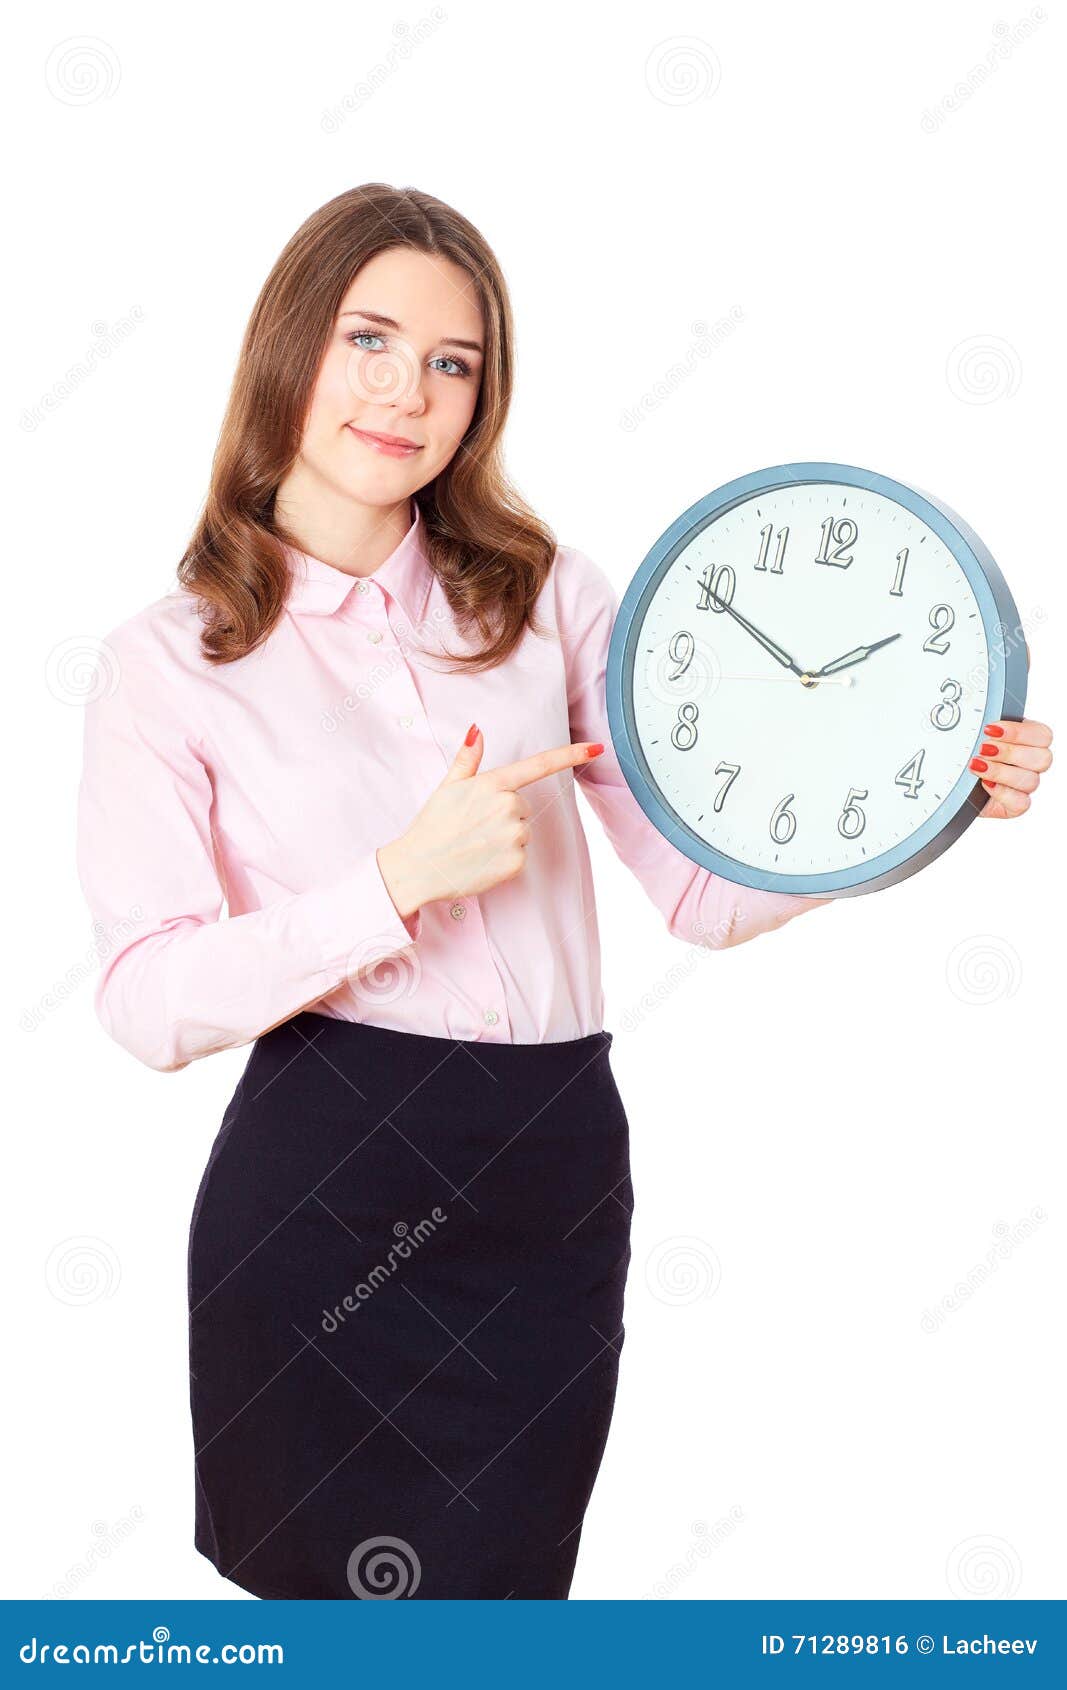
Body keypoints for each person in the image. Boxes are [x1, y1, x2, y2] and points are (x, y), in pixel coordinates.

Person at [75, 183, 1053, 1600]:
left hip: (548, 1173)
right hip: (324, 1183)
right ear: (290, 348)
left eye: (453, 362)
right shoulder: (170, 659)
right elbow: (141, 1001)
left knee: (504, 1615)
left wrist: (928, 793)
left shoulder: (546, 597)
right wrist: (398, 881)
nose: (407, 391)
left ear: (483, 396)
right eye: (370, 339)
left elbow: (701, 894)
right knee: (321, 1625)